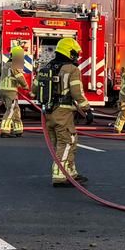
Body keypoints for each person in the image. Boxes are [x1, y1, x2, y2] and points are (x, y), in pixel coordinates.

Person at [42, 37, 93, 186]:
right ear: (69, 53)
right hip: (63, 113)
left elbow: (34, 90)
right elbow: (77, 92)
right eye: (75, 53)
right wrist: (87, 109)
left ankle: (71, 173)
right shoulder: (72, 69)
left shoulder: (47, 67)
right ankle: (60, 175)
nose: (76, 57)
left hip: (49, 113)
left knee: (63, 143)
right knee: (66, 142)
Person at [0, 45, 26, 137]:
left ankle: (18, 130)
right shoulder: (15, 64)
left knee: (15, 109)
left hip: (4, 90)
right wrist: (25, 86)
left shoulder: (7, 64)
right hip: (10, 91)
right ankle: (5, 130)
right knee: (11, 110)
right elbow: (19, 77)